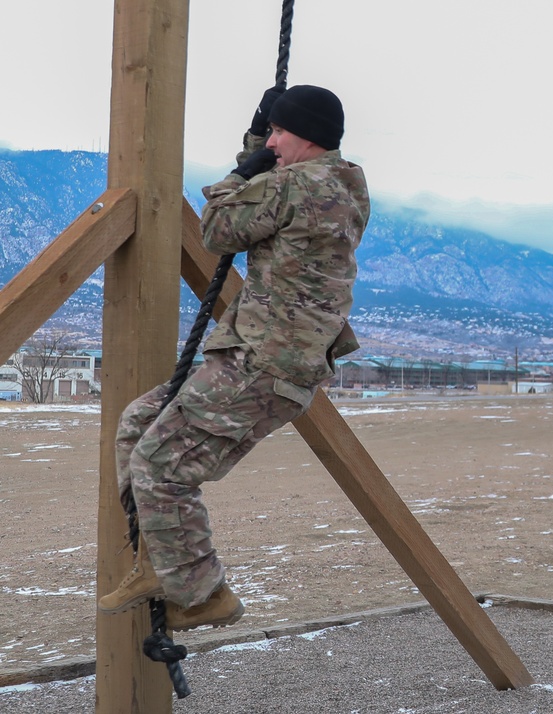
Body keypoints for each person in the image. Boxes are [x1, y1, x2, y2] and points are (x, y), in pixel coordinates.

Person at [98, 85, 371, 630]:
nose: (270, 142)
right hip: (263, 356)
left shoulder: (296, 185)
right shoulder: (345, 183)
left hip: (264, 361)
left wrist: (241, 172)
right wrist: (261, 145)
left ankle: (202, 594)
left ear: (305, 136)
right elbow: (273, 202)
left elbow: (221, 229)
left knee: (161, 464)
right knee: (138, 425)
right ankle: (162, 565)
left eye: (277, 132)